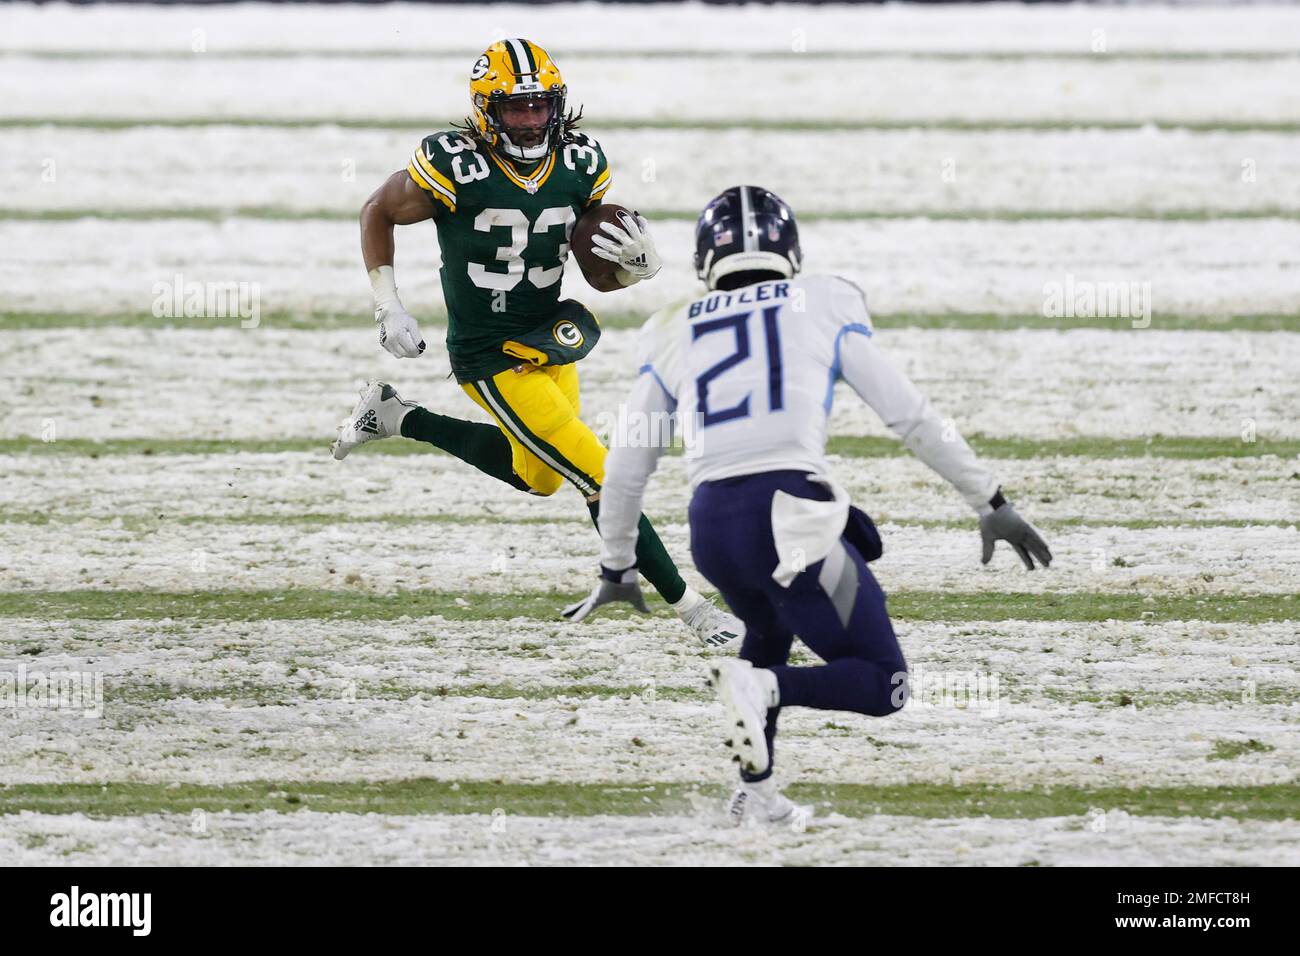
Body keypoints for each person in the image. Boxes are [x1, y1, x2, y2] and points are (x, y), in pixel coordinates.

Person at [593, 185, 1052, 825]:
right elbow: (910, 414)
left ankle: (755, 797)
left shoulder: (671, 326)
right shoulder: (825, 300)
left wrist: (617, 565)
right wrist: (989, 499)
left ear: (704, 261)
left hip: (713, 529)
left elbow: (626, 465)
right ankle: (760, 692)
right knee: (883, 682)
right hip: (788, 520)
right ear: (792, 251)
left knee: (769, 633)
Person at [331, 39, 740, 645]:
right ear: (485, 110)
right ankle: (695, 611)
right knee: (603, 476)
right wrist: (388, 304)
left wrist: (631, 268)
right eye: (514, 108)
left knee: (542, 478)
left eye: (538, 106)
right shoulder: (455, 164)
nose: (528, 120)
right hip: (489, 355)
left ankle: (396, 417)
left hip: (548, 337)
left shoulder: (579, 161)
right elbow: (375, 210)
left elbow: (594, 252)